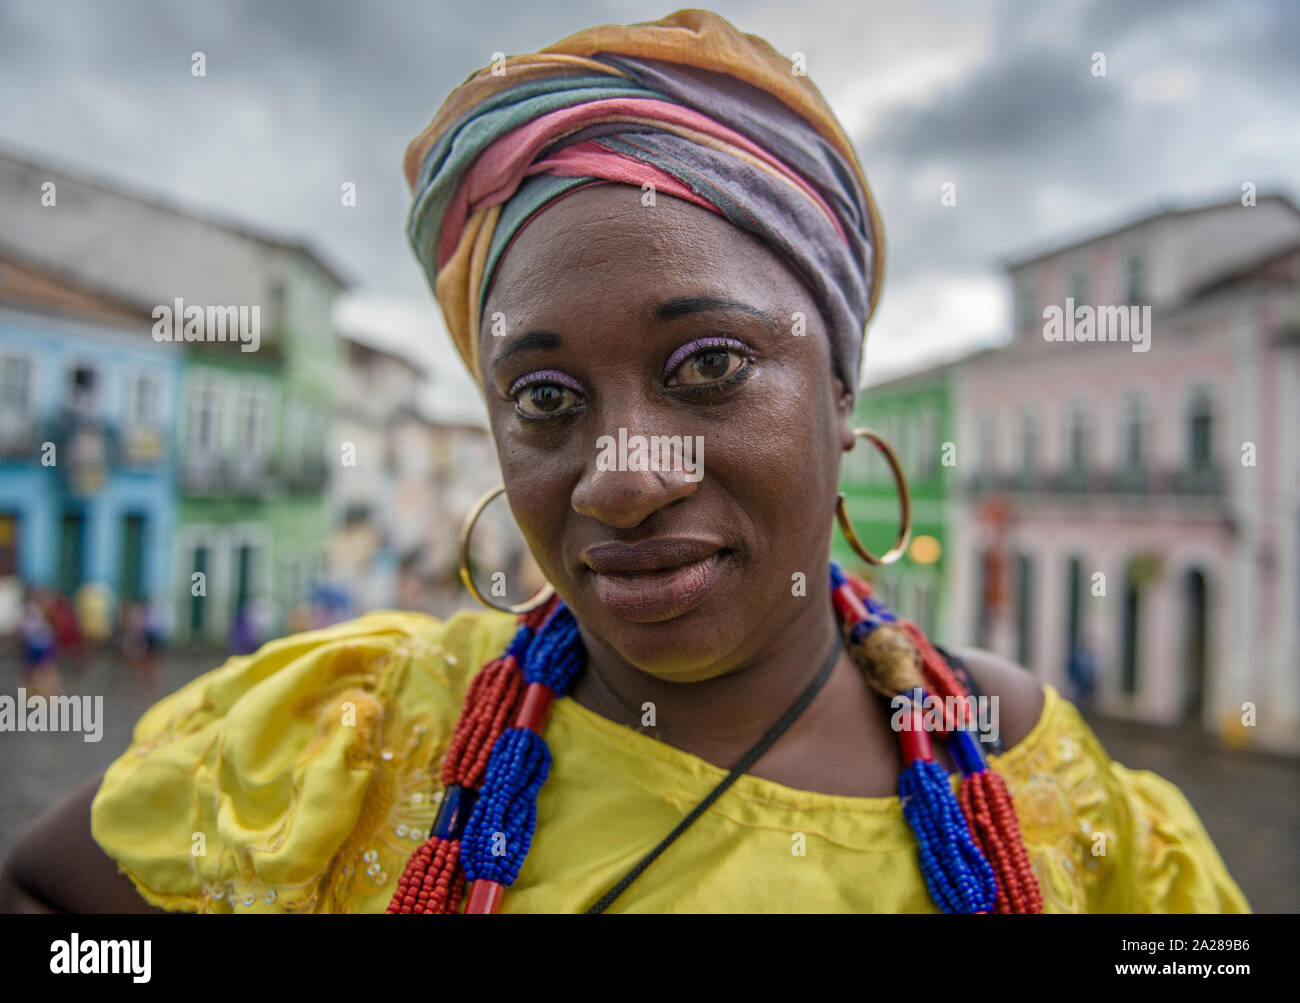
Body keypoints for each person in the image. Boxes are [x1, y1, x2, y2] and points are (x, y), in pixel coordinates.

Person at [0, 9, 1246, 915]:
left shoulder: (1034, 786)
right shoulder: (351, 743)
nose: (622, 477)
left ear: (841, 386)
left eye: (708, 366)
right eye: (543, 396)